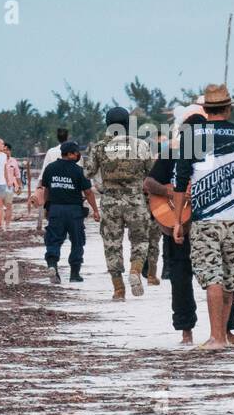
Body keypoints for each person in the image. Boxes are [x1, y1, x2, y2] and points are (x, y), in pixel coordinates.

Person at [171, 84, 234, 350]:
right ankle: (221, 333)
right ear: (229, 107)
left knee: (212, 275)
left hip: (204, 218)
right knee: (230, 275)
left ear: (206, 109)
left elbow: (180, 182)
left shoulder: (192, 136)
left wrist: (177, 220)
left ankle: (217, 337)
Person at [143, 112, 234, 344]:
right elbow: (149, 183)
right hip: (178, 224)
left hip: (210, 222)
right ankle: (186, 331)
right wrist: (171, 192)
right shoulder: (172, 154)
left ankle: (227, 329)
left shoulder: (217, 156)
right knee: (180, 277)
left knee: (223, 274)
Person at [85, 106, 154, 299]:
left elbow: (88, 171)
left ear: (108, 125)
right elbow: (151, 172)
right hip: (136, 201)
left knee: (112, 244)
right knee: (140, 240)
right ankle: (135, 271)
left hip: (110, 202)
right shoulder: (141, 145)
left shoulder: (99, 147)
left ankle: (118, 289)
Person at [30, 140, 98, 283]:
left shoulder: (50, 168)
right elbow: (88, 192)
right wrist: (96, 211)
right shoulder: (79, 171)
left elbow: (46, 189)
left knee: (53, 240)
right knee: (77, 241)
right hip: (74, 211)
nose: (78, 155)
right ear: (70, 154)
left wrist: (47, 207)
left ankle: (52, 265)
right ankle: (74, 274)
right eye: (76, 153)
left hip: (55, 209)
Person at [36, 127, 70, 235]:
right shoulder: (73, 151)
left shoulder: (51, 151)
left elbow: (44, 170)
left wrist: (39, 187)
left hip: (53, 186)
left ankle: (55, 231)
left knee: (52, 211)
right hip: (70, 186)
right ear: (67, 137)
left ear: (57, 137)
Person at [2, 141, 22, 230]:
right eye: (4, 150)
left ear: (10, 151)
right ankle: (0, 223)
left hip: (9, 186)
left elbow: (17, 175)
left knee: (9, 205)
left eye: (8, 150)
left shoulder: (13, 161)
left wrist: (19, 186)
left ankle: (7, 224)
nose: (6, 152)